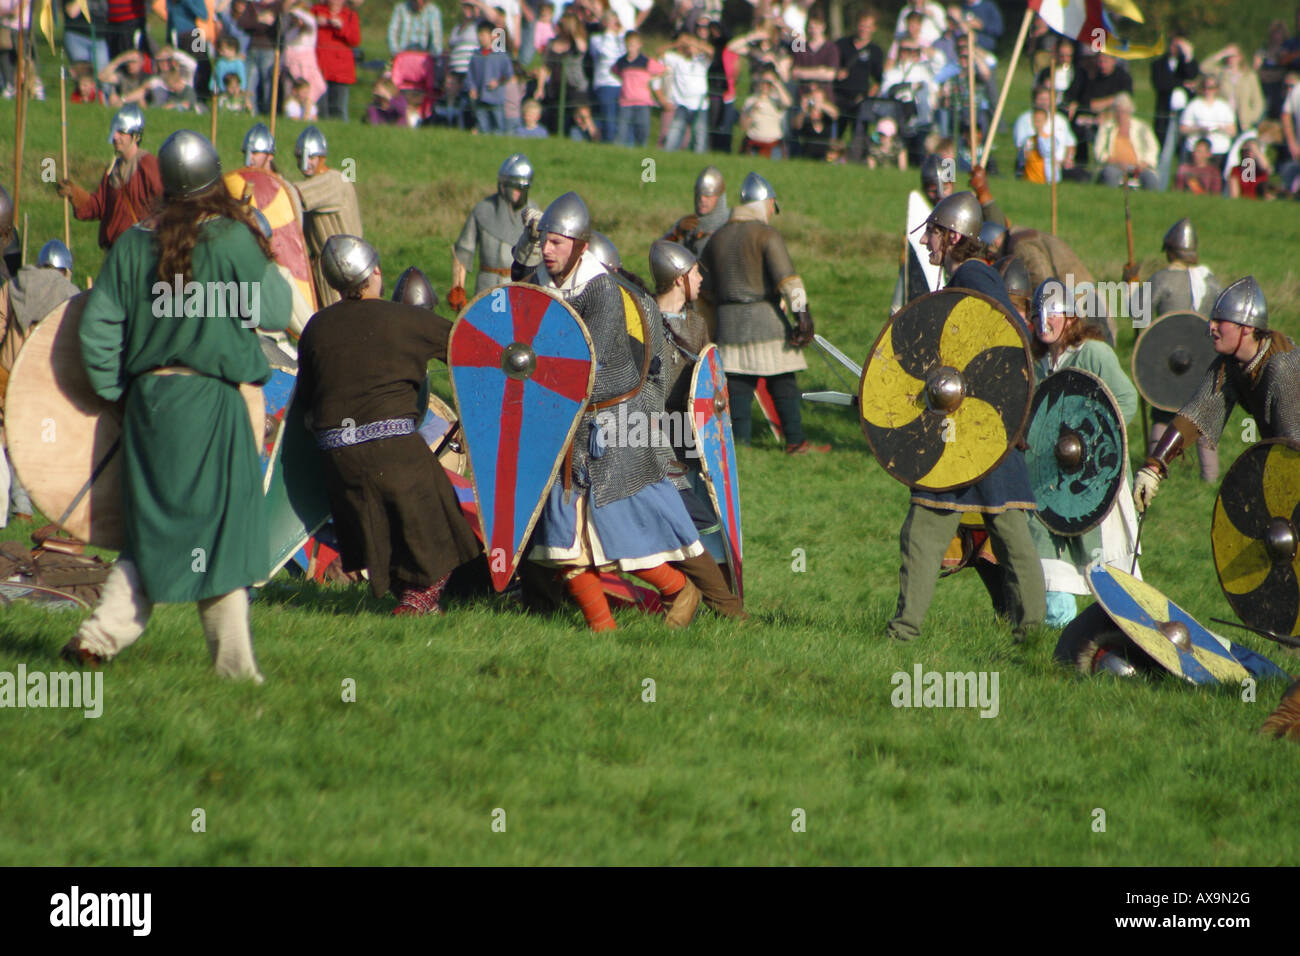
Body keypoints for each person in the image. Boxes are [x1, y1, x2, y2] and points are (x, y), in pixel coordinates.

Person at [60, 130, 292, 681]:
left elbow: (96, 332)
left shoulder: (132, 244)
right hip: (214, 404)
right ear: (215, 181)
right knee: (223, 534)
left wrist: (121, 393)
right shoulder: (233, 239)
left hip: (150, 407)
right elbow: (278, 309)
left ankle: (98, 638)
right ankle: (234, 671)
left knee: (153, 528)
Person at [523, 192, 705, 631]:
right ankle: (603, 633)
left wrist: (549, 381)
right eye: (545, 241)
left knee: (622, 541)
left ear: (580, 247)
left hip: (608, 434)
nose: (547, 250)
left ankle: (680, 589)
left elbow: (605, 371)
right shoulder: (544, 286)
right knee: (564, 546)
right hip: (563, 434)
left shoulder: (601, 292)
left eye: (557, 243)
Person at [885, 191, 1045, 644]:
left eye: (934, 233)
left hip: (971, 432)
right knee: (1008, 532)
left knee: (927, 533)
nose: (929, 243)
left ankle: (904, 634)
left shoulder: (974, 278)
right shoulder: (974, 278)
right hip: (982, 430)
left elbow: (1000, 350)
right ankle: (1029, 635)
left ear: (954, 236)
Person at [294, 236, 481, 615]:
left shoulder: (316, 327)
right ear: (376, 271)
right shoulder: (407, 320)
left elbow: (308, 403)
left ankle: (416, 602)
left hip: (337, 460)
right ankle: (417, 602)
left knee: (388, 528)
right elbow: (473, 347)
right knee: (442, 524)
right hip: (394, 451)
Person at [1028, 278, 1140, 628]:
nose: (1043, 322)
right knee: (1050, 556)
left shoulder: (1094, 353)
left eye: (1052, 314)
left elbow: (1125, 401)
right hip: (1052, 480)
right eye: (1037, 315)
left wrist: (1088, 438)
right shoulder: (1040, 361)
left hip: (1095, 478)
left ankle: (1122, 631)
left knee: (1103, 563)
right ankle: (1057, 632)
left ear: (1071, 318)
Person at [1135, 277, 1300, 514]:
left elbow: (1293, 449)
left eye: (1220, 321)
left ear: (1248, 328)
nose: (1211, 326)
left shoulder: (1283, 369)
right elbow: (1195, 415)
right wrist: (1153, 468)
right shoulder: (1231, 365)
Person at [646, 239, 747, 620]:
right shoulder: (645, 323)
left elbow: (707, 384)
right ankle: (681, 595)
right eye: (695, 272)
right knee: (670, 525)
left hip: (695, 439)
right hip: (655, 435)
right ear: (678, 279)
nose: (702, 278)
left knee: (711, 519)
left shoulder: (697, 323)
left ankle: (722, 604)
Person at [698, 172, 822, 455]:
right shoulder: (766, 234)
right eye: (771, 206)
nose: (771, 212)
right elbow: (789, 281)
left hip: (729, 325)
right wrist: (803, 315)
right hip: (766, 320)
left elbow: (704, 292)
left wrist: (708, 330)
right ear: (765, 203)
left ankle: (739, 450)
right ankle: (796, 442)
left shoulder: (717, 238)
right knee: (784, 383)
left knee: (738, 390)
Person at [0, 239, 78, 527]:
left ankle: (20, 508)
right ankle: (33, 506)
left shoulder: (14, 285)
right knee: (38, 442)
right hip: (45, 379)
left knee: (10, 440)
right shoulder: (71, 294)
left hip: (8, 373)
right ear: (66, 270)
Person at [1144, 218, 1221, 484]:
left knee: (1164, 415)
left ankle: (1153, 470)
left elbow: (1136, 312)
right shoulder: (1211, 282)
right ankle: (1210, 480)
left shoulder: (1162, 279)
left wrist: (1130, 283)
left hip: (1169, 363)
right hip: (1203, 363)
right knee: (1202, 421)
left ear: (1169, 249)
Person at [56, 104, 163, 251]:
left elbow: (166, 203)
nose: (115, 137)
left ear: (135, 136)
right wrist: (74, 194)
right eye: (115, 132)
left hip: (140, 250)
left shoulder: (148, 164)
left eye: (121, 132)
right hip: (114, 251)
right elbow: (99, 207)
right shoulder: (112, 169)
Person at [451, 153, 537, 305]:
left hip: (519, 287)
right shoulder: (483, 210)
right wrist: (458, 287)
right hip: (487, 286)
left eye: (522, 189)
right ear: (504, 186)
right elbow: (464, 251)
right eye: (514, 188)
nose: (518, 192)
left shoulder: (534, 214)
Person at [293, 126, 363, 307]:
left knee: (342, 322)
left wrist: (271, 186)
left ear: (322, 158)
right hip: (324, 267)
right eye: (301, 158)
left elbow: (294, 195)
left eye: (312, 158)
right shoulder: (315, 182)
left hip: (344, 268)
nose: (306, 163)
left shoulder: (334, 180)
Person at [661, 25, 713, 153]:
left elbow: (711, 52)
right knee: (674, 135)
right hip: (682, 104)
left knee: (699, 138)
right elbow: (660, 52)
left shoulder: (703, 60)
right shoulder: (678, 60)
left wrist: (695, 43)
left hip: (700, 105)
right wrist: (677, 44)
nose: (691, 49)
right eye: (688, 47)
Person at [1093, 92, 1160, 189]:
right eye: (1118, 111)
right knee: (1110, 174)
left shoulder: (1142, 127)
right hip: (1114, 166)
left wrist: (1144, 163)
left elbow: (1153, 148)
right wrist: (1115, 162)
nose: (1121, 115)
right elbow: (1099, 152)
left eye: (1124, 111)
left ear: (1130, 111)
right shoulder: (1106, 127)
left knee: (1151, 179)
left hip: (1138, 167)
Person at [661, 165, 727, 257]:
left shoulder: (729, 224)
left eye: (707, 195)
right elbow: (660, 254)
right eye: (699, 194)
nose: (702, 199)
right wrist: (676, 234)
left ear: (719, 196)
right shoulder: (687, 223)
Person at [612, 29, 663, 147]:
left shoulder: (645, 61)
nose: (631, 48)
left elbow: (663, 70)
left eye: (633, 45)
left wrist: (652, 78)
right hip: (626, 102)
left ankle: (641, 150)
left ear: (639, 45)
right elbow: (614, 71)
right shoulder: (621, 62)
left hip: (643, 101)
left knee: (643, 130)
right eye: (628, 45)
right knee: (622, 130)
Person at [313, 0, 361, 120]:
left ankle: (340, 132)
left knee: (338, 107)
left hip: (341, 69)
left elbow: (355, 40)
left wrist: (342, 27)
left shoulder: (350, 15)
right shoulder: (316, 11)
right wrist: (315, 22)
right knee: (320, 107)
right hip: (319, 66)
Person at [467, 18, 513, 133]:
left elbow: (508, 74)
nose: (481, 37)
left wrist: (497, 82)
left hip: (496, 98)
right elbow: (470, 75)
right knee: (482, 125)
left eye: (484, 34)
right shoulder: (475, 55)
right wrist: (472, 88)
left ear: (493, 36)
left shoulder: (501, 55)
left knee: (498, 125)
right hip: (480, 97)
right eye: (479, 34)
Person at [1179, 75, 1235, 163]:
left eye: (1211, 88)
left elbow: (1233, 131)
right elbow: (1182, 129)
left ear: (1216, 89)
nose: (1208, 91)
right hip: (1196, 151)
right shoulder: (1194, 105)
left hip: (1219, 150)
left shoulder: (1224, 107)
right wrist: (1197, 129)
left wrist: (1221, 128)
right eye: (1205, 87)